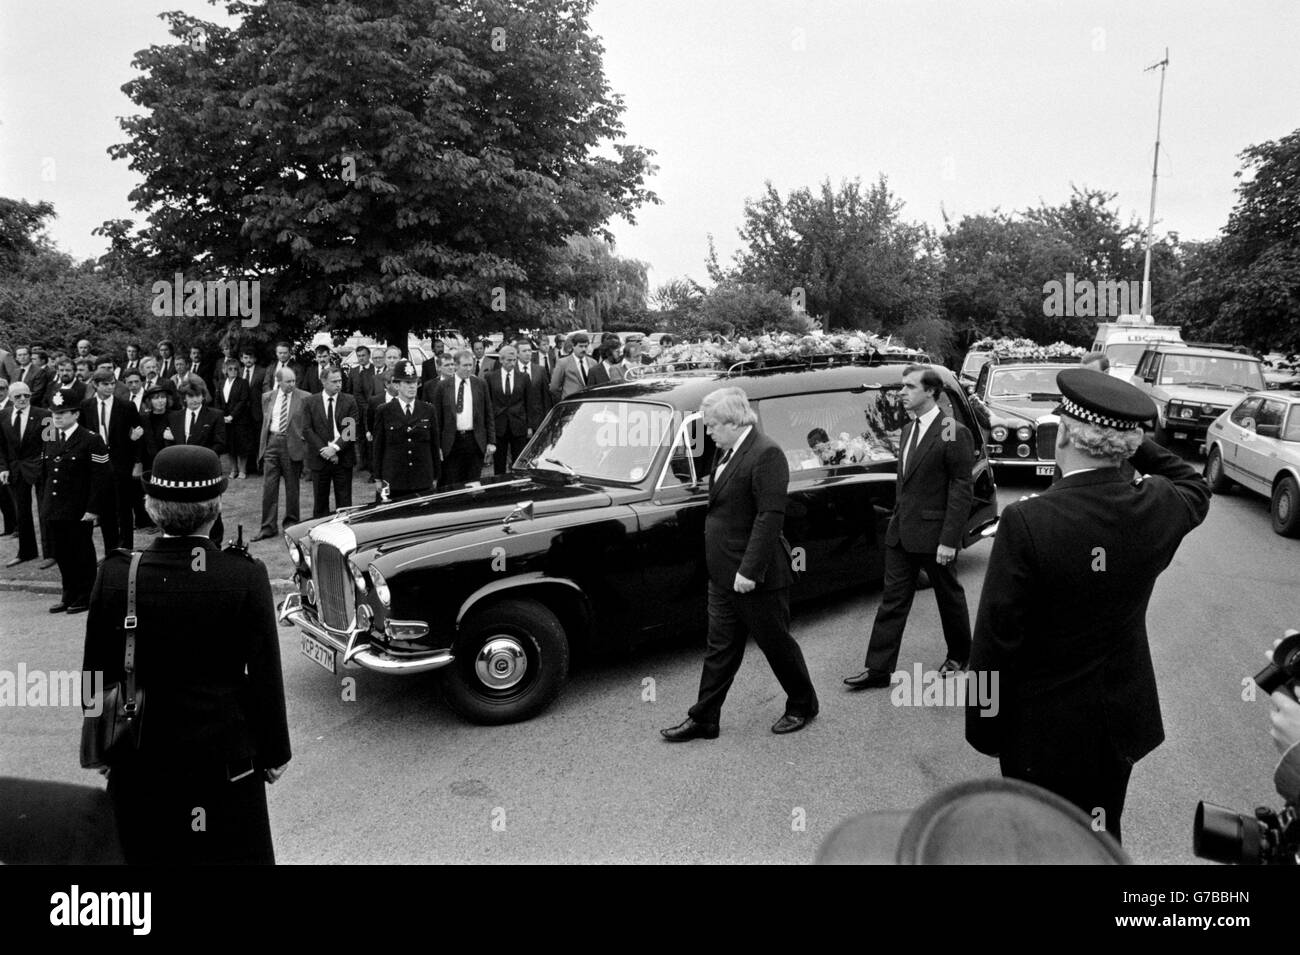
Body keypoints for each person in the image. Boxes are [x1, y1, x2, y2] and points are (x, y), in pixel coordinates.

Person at [965, 369, 1211, 843]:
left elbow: (996, 639)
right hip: (1117, 720)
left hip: (1040, 730)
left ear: (1061, 436)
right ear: (1127, 445)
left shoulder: (1027, 521)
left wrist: (985, 726)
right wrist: (1128, 439)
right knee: (1100, 832)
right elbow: (1194, 483)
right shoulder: (1158, 504)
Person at [82, 445, 291, 864]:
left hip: (140, 756)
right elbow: (265, 673)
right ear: (216, 508)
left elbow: (95, 672)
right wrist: (275, 751)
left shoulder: (116, 574)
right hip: (224, 760)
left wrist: (98, 747)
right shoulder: (244, 574)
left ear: (151, 507)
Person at [661, 387, 818, 740]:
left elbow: (769, 517)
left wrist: (749, 571)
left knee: (776, 644)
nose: (709, 432)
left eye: (713, 425)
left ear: (734, 422)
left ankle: (802, 704)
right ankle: (705, 717)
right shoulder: (728, 451)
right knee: (720, 649)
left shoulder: (767, 454)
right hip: (722, 573)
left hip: (754, 575)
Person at [845, 365, 975, 689]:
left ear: (930, 391)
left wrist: (949, 540)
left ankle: (960, 655)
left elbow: (960, 488)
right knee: (892, 601)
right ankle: (878, 670)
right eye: (902, 387)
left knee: (949, 598)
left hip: (935, 536)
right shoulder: (907, 430)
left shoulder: (951, 430)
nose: (901, 392)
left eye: (909, 387)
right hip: (902, 533)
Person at [41, 387, 110, 613]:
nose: (57, 417)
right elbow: (48, 475)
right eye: (54, 413)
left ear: (76, 414)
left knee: (81, 553)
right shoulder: (50, 438)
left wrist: (93, 509)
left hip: (79, 509)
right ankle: (68, 594)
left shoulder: (91, 440)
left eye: (63, 412)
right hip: (55, 508)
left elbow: (101, 479)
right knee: (61, 553)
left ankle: (85, 595)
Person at [81, 370, 143, 553]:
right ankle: (111, 551)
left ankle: (126, 550)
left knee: (124, 509)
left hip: (122, 463)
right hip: (98, 465)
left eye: (112, 384)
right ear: (95, 385)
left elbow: (139, 434)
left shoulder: (126, 406)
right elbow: (83, 434)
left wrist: (138, 462)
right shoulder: (86, 406)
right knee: (105, 509)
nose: (109, 387)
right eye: (105, 384)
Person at [253, 368, 308, 540]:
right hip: (271, 443)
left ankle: (292, 525)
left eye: (293, 381)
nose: (292, 384)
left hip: (292, 445)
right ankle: (268, 527)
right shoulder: (268, 397)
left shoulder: (305, 397)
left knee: (292, 488)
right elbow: (266, 421)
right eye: (288, 381)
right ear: (279, 382)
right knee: (269, 487)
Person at [371, 359, 439, 500]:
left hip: (421, 477)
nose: (412, 387)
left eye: (414, 383)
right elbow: (378, 446)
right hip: (394, 478)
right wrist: (378, 477)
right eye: (407, 383)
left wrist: (435, 475)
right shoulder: (384, 410)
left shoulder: (428, 410)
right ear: (396, 385)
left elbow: (434, 445)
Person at [169, 381, 228, 544]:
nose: (195, 400)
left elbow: (220, 443)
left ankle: (214, 545)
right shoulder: (174, 417)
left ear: (203, 396)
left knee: (211, 510)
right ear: (184, 398)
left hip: (207, 470)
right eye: (190, 396)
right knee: (186, 510)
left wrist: (199, 458)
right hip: (182, 473)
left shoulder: (215, 415)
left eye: (198, 396)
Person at [0, 383, 48, 566]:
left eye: (26, 396)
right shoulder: (3, 415)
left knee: (45, 511)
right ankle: (26, 552)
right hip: (15, 469)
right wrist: (3, 468)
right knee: (22, 512)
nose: (22, 399)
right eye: (18, 396)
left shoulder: (44, 415)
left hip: (39, 469)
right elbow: (1, 446)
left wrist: (46, 467)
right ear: (11, 398)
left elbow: (49, 443)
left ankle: (51, 553)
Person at [432, 350, 495, 490]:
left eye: (470, 365)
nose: (468, 369)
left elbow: (488, 413)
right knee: (453, 481)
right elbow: (437, 418)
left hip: (474, 440)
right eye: (465, 365)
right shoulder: (443, 386)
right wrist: (438, 445)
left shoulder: (480, 384)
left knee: (473, 482)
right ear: (455, 365)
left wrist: (491, 441)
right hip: (452, 441)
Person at [303, 366, 358, 517]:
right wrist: (325, 451)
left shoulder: (349, 400)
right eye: (334, 381)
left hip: (343, 457)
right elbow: (307, 430)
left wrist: (334, 448)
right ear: (323, 382)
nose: (339, 384)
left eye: (340, 381)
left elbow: (350, 430)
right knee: (320, 502)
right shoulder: (310, 402)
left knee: (344, 502)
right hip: (320, 459)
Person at [486, 345, 533, 474]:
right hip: (498, 426)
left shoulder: (523, 377)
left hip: (518, 424)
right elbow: (488, 404)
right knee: (499, 462)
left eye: (514, 360)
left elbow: (529, 402)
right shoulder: (491, 377)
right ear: (501, 360)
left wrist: (529, 426)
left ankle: (520, 486)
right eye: (508, 360)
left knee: (519, 461)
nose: (512, 363)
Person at [213, 358, 253, 479]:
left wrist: (232, 416)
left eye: (236, 368)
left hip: (240, 419)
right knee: (230, 446)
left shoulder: (243, 382)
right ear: (225, 370)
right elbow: (218, 400)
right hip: (225, 419)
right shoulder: (221, 383)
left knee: (242, 445)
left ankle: (242, 470)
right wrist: (221, 416)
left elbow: (243, 401)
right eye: (230, 369)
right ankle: (233, 469)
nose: (233, 371)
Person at [549, 333, 594, 402]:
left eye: (585, 346)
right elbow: (554, 387)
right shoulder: (563, 363)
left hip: (590, 402)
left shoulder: (593, 362)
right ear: (573, 346)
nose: (584, 349)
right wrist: (565, 399)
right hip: (571, 403)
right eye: (581, 346)